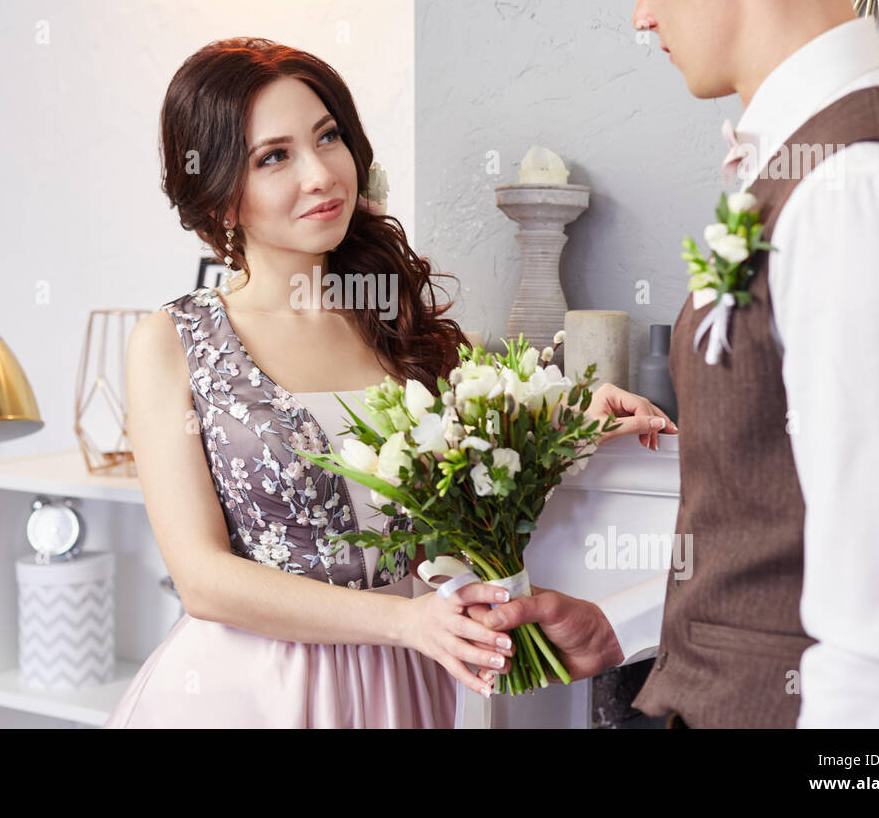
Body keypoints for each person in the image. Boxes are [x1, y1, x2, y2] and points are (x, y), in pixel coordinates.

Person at [474, 0, 879, 729]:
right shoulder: (811, 166)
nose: (640, 12)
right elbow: (774, 522)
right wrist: (627, 625)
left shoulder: (862, 189)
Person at [103, 37, 670, 728]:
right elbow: (202, 579)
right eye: (274, 156)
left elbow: (472, 452)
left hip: (398, 686)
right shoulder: (173, 339)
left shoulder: (389, 317)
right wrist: (404, 624)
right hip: (249, 693)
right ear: (221, 195)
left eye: (328, 137)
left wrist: (574, 417)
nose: (321, 174)